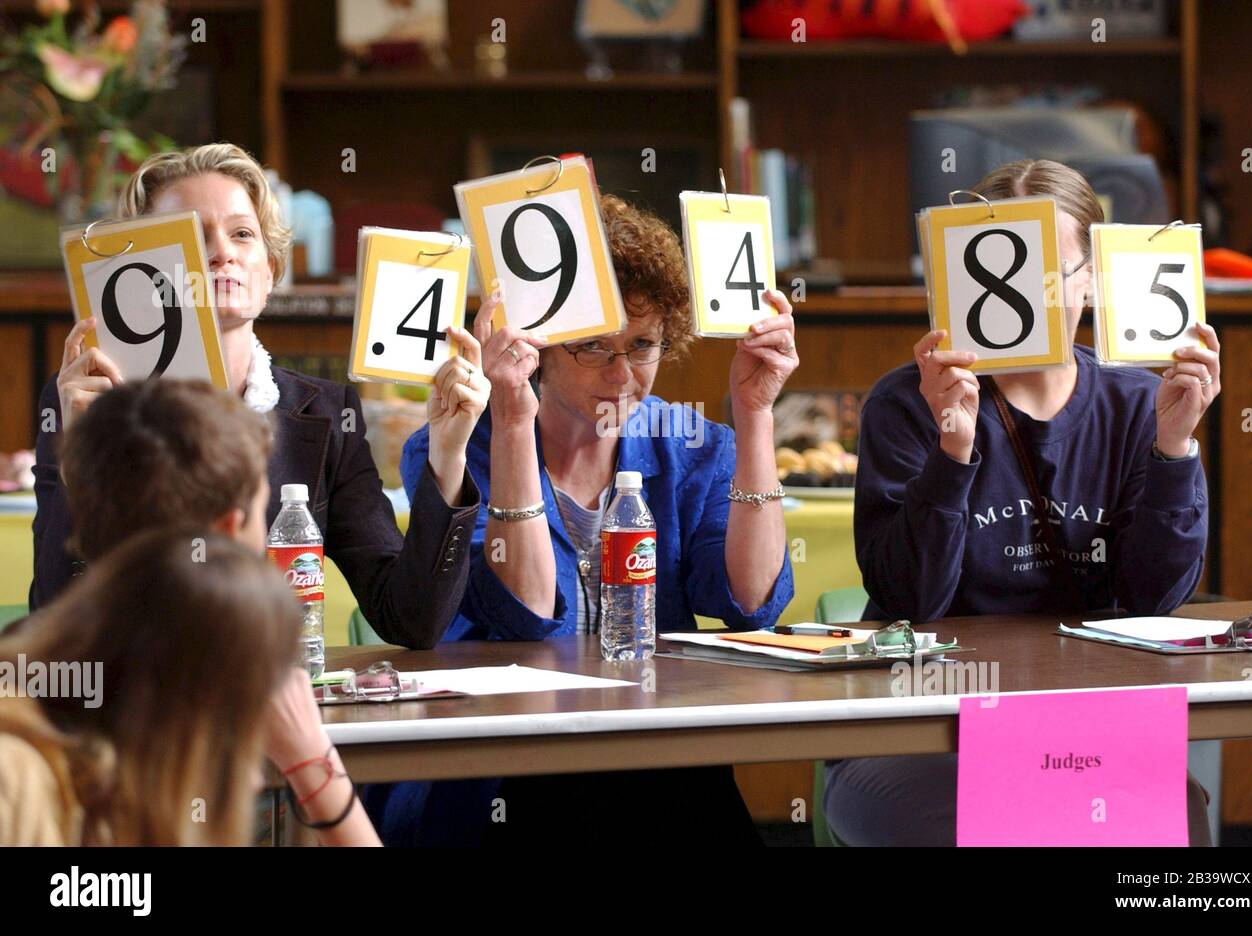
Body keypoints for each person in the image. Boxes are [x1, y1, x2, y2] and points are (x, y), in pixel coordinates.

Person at [371, 194, 799, 845]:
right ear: (538, 347)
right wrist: (514, 414)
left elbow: (749, 602)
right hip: (508, 765)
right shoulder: (460, 447)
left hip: (658, 753)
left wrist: (756, 412)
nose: (623, 375)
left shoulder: (693, 445)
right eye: (593, 347)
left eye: (643, 345)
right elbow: (527, 611)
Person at [827, 159, 1220, 846]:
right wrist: (952, 452)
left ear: (1093, 277)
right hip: (921, 724)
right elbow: (907, 595)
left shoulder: (1136, 402)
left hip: (1079, 723)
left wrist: (1174, 447)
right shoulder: (906, 403)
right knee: (982, 826)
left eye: (1049, 274)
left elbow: (1156, 598)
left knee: (1167, 815)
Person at [31, 143, 488, 649]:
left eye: (241, 234)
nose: (221, 252)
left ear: (270, 269)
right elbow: (57, 623)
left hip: (276, 703)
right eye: (191, 235)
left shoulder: (329, 414)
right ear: (145, 270)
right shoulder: (86, 401)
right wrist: (81, 462)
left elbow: (412, 620)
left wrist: (447, 455)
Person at [0, 527, 380, 846]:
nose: (251, 781)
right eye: (234, 731)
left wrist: (308, 760)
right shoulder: (18, 782)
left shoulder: (121, 794)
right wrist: (313, 766)